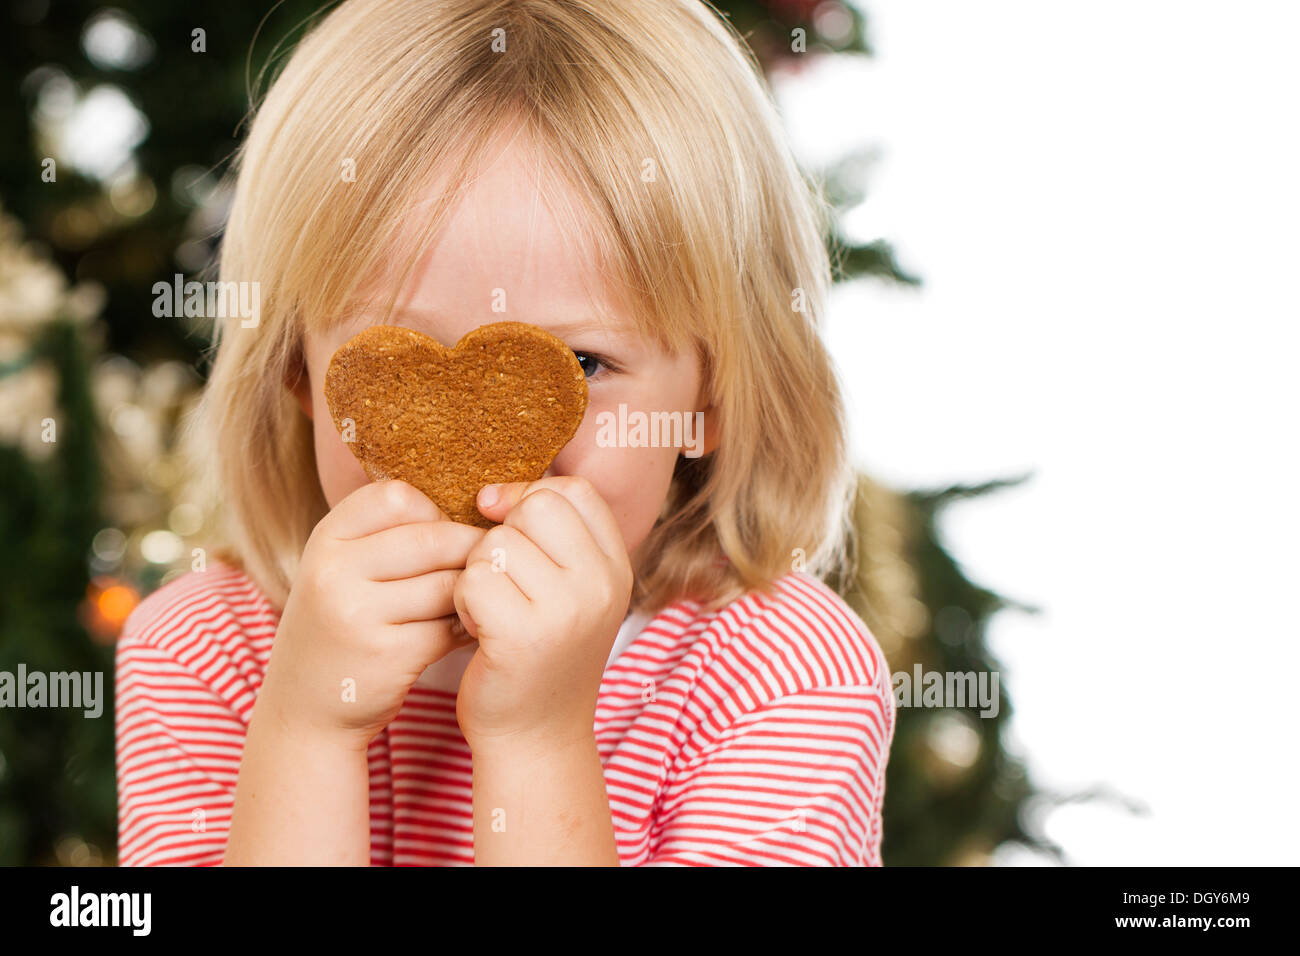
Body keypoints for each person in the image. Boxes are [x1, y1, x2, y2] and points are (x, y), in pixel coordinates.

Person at [114, 0, 895, 866]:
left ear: (713, 396)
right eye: (399, 362)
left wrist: (538, 742)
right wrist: (307, 729)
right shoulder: (203, 653)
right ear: (300, 373)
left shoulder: (781, 677)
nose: (487, 450)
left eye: (584, 367)